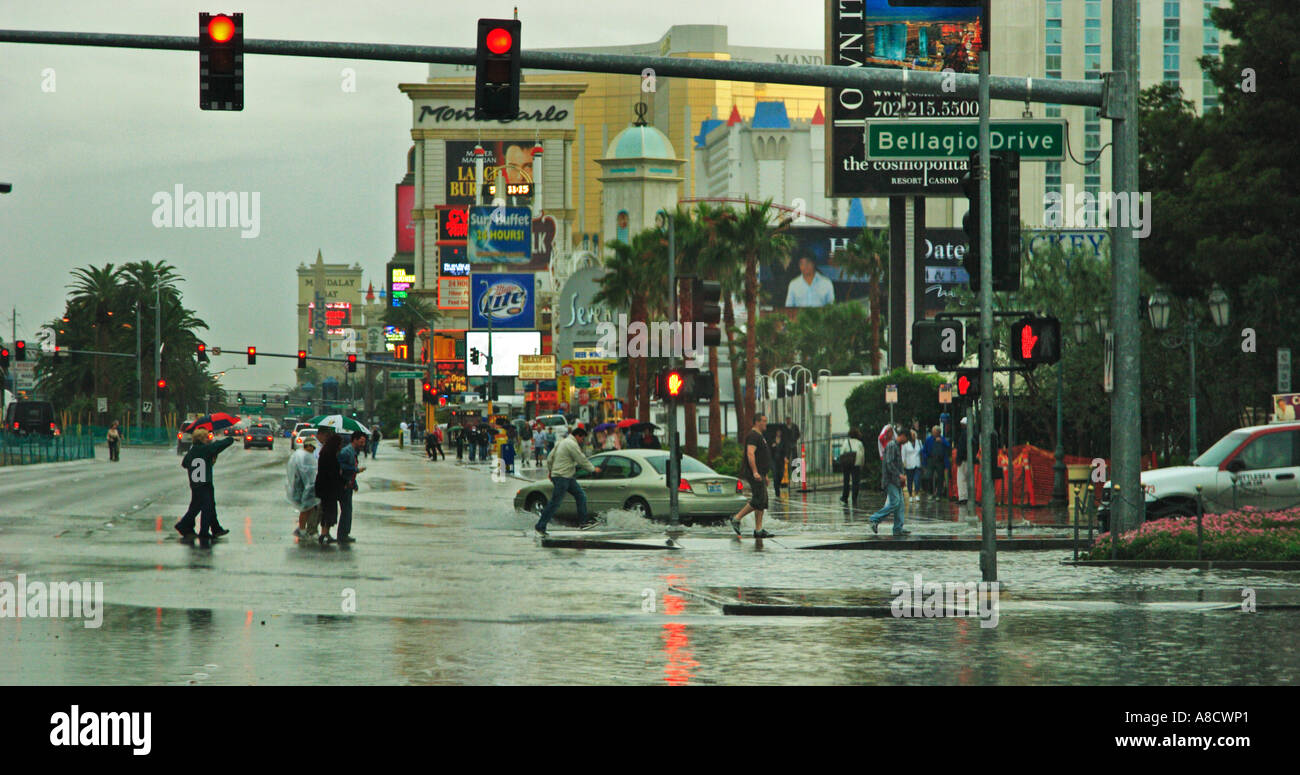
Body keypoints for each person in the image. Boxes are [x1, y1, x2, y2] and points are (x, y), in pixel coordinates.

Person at [535, 426, 601, 535]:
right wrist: (593, 469)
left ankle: (583, 522)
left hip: (566, 476)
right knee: (555, 503)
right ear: (577, 435)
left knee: (580, 495)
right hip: (562, 476)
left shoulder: (562, 442)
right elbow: (581, 459)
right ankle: (540, 525)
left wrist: (551, 471)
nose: (582, 441)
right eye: (582, 438)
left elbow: (550, 457)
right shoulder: (572, 444)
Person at [175, 428, 234, 540]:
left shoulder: (192, 451)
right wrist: (230, 438)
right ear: (201, 439)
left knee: (202, 505)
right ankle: (196, 529)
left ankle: (215, 528)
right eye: (206, 437)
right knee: (206, 507)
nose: (208, 439)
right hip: (205, 483)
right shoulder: (207, 449)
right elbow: (222, 444)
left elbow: (185, 463)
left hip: (195, 483)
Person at [730, 413, 775, 539]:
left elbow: (762, 457)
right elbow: (750, 454)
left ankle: (758, 529)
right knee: (758, 499)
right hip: (754, 473)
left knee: (763, 501)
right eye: (764, 421)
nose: (766, 423)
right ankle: (736, 518)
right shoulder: (753, 436)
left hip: (760, 473)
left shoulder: (760, 436)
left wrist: (764, 474)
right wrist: (755, 471)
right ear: (757, 422)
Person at [868, 425, 909, 535]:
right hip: (890, 480)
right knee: (895, 502)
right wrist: (899, 475)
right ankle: (874, 518)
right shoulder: (892, 445)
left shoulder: (896, 446)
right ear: (903, 436)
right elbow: (889, 463)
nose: (906, 442)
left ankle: (898, 528)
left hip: (896, 481)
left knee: (900, 504)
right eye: (907, 439)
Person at [335, 430, 366, 543]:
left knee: (347, 510)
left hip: (349, 484)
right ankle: (342, 535)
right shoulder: (346, 452)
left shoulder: (353, 452)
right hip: (344, 485)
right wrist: (356, 470)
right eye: (361, 442)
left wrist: (354, 483)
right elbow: (341, 466)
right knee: (346, 510)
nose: (363, 445)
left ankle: (344, 533)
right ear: (355, 440)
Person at [287, 436, 320, 539]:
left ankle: (301, 529)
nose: (313, 450)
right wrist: (309, 484)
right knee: (305, 508)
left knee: (308, 508)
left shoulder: (302, 455)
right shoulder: (302, 456)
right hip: (303, 486)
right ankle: (301, 530)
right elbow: (304, 471)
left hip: (307, 485)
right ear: (308, 446)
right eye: (313, 447)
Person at [315, 432, 345, 544]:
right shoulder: (330, 455)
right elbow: (332, 473)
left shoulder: (324, 453)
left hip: (323, 487)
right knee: (329, 511)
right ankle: (324, 533)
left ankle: (325, 533)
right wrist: (340, 476)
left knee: (326, 510)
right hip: (329, 488)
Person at [921, 424, 951, 499]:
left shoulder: (942, 439)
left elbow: (948, 446)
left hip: (940, 460)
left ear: (939, 432)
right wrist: (925, 460)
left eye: (935, 432)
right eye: (933, 432)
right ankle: (931, 492)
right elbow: (924, 450)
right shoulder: (929, 439)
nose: (933, 433)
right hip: (930, 459)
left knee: (940, 477)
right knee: (929, 476)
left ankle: (939, 494)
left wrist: (942, 442)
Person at [839, 427, 866, 506]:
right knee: (855, 481)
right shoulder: (859, 443)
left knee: (846, 480)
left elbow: (842, 452)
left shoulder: (846, 442)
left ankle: (845, 497)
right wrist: (862, 464)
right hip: (856, 463)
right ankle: (854, 497)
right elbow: (862, 455)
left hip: (847, 463)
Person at [901, 428, 923, 502]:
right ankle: (910, 495)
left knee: (917, 480)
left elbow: (922, 452)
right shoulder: (905, 443)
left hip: (917, 464)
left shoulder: (919, 442)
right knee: (909, 481)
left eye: (914, 435)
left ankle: (916, 494)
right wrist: (902, 464)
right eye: (911, 435)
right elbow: (903, 455)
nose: (913, 436)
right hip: (909, 465)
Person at [954, 417, 971, 504]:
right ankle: (967, 496)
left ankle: (963, 497)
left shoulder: (963, 435)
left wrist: (959, 458)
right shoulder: (972, 433)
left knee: (961, 479)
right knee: (967, 479)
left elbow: (961, 448)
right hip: (969, 459)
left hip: (963, 460)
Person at [770, 428, 786, 497]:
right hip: (774, 460)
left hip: (781, 460)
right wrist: (772, 447)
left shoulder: (783, 441)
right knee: (775, 475)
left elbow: (785, 449)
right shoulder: (772, 440)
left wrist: (786, 457)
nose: (779, 433)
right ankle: (777, 490)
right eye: (777, 432)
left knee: (781, 474)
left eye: (780, 432)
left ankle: (778, 485)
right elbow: (769, 450)